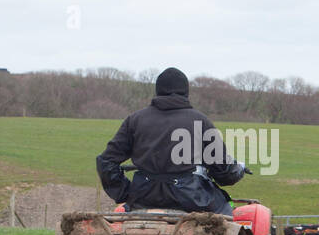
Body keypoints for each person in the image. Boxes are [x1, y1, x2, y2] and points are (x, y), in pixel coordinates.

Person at [96, 67, 246, 214]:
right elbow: (224, 174)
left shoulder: (134, 120)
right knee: (226, 211)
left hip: (143, 198)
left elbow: (106, 162)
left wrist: (125, 193)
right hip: (192, 200)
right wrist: (239, 169)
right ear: (186, 92)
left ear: (158, 91)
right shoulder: (200, 121)